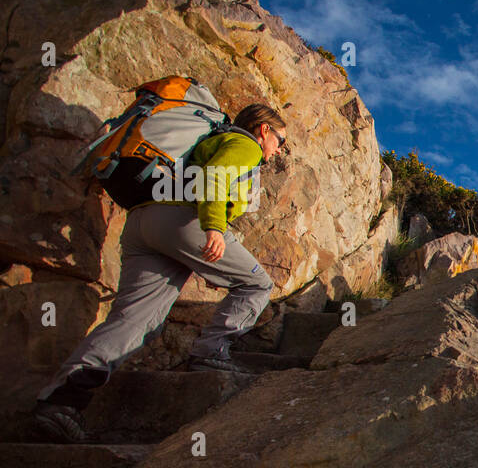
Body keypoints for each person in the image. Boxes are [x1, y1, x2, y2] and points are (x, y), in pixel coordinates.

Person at [31, 104, 288, 443]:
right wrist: (212, 227)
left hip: (143, 220)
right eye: (280, 140)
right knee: (257, 283)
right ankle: (211, 352)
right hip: (184, 219)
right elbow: (215, 177)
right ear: (263, 129)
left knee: (136, 320)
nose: (278, 149)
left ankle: (61, 402)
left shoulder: (213, 140)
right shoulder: (245, 144)